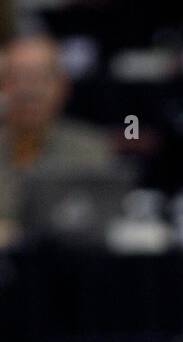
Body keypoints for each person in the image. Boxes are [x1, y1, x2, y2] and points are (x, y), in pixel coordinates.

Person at [0, 34, 116, 245]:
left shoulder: (90, 148)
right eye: (17, 77)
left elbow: (97, 223)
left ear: (63, 86)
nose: (29, 90)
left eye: (40, 78)